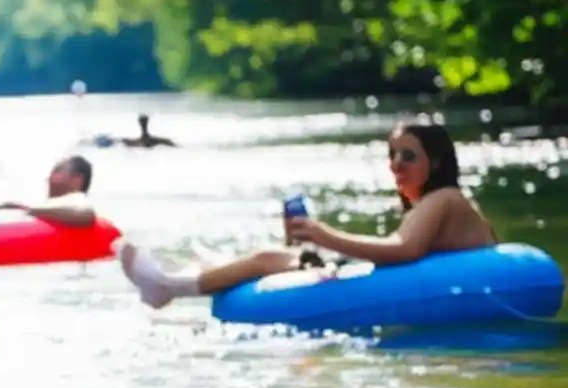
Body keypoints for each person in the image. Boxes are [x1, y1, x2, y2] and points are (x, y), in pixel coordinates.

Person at [116, 121, 496, 308]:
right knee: (285, 255)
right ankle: (200, 274)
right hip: (438, 282)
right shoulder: (436, 202)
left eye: (408, 155)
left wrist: (322, 233)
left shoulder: (444, 198)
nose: (396, 164)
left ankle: (169, 287)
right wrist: (313, 238)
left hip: (465, 286)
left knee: (275, 259)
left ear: (438, 160)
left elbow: (406, 250)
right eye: (392, 154)